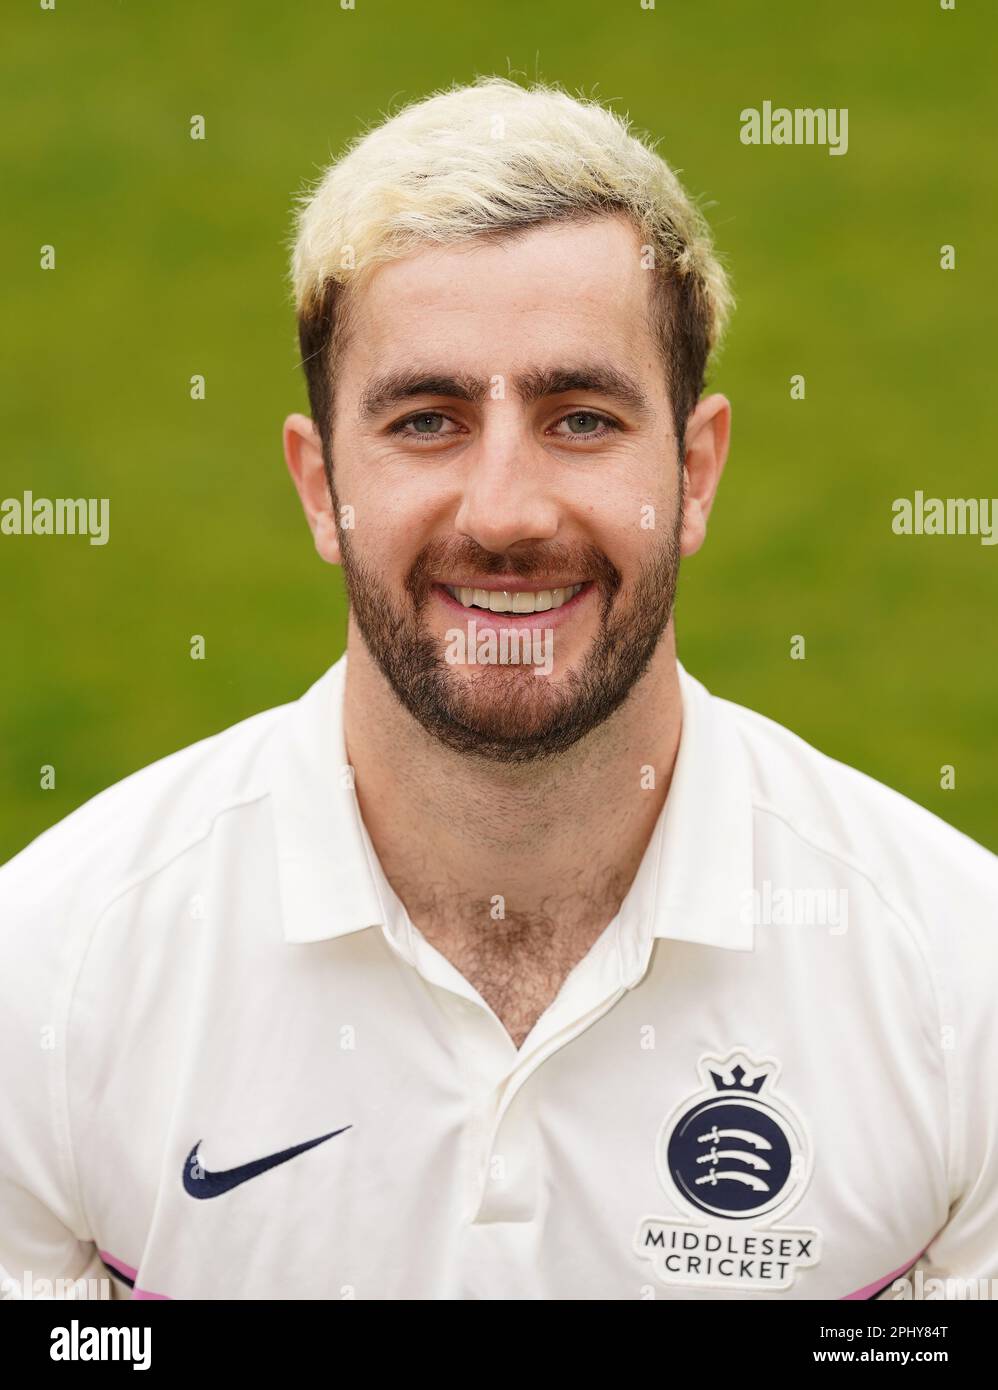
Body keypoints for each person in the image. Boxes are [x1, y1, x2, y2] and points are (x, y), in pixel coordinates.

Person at [1, 76, 995, 1302]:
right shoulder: (45, 978)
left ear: (693, 472)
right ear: (320, 486)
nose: (506, 513)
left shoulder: (962, 986)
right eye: (425, 421)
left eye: (580, 418)